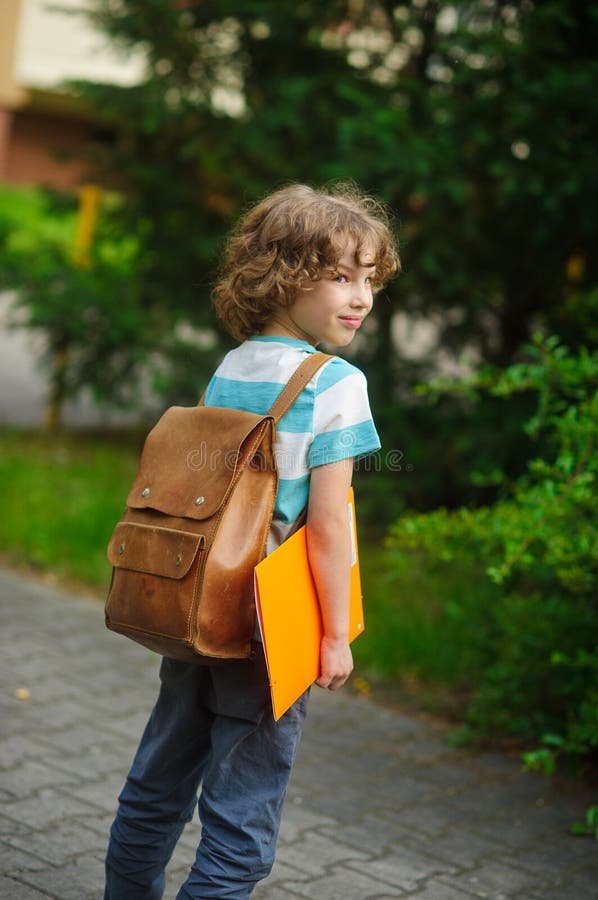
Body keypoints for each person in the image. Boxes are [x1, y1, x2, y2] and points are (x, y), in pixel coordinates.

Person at [104, 182, 400, 899]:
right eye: (338, 276)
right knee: (241, 826)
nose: (359, 296)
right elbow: (327, 523)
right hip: (270, 628)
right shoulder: (337, 383)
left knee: (157, 785)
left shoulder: (232, 366)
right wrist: (333, 634)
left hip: (197, 606)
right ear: (283, 277)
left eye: (368, 279)